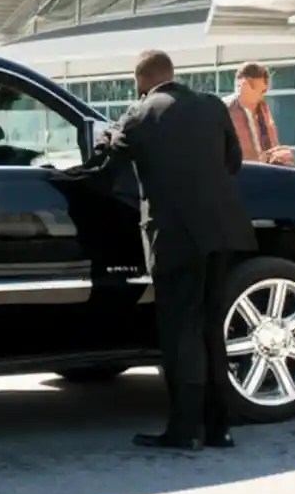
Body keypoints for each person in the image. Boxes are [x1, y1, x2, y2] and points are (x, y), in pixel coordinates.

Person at [82, 49, 257, 450]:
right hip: (223, 233)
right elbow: (233, 162)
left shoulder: (140, 114)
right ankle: (219, 428)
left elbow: (106, 172)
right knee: (213, 328)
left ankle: (183, 430)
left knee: (181, 333)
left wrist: (107, 139)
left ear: (140, 81)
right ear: (173, 75)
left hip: (176, 238)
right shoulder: (212, 106)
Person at [223, 62, 294, 166]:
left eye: (263, 91)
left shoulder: (263, 109)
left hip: (265, 174)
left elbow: (272, 144)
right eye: (258, 90)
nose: (261, 96)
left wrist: (278, 155)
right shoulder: (224, 110)